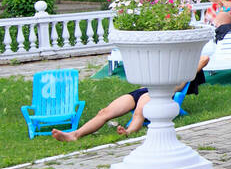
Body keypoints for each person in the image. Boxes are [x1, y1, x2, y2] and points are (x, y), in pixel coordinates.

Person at [52, 57, 210, 142]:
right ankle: (75, 135)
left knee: (139, 112)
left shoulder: (183, 74)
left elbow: (204, 58)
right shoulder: (161, 61)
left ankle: (128, 131)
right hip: (140, 91)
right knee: (105, 112)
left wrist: (186, 63)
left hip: (158, 92)